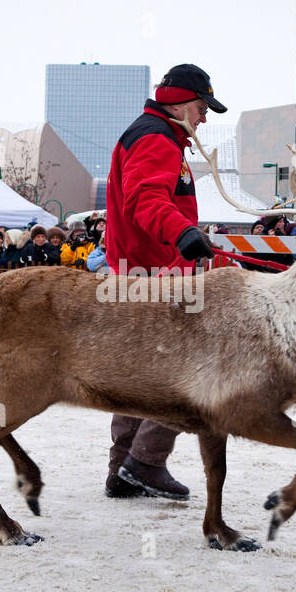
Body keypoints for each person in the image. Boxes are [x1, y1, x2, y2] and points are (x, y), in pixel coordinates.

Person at [104, 63, 224, 502]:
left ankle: (123, 469)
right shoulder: (156, 138)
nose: (205, 117)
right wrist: (184, 233)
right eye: (201, 106)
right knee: (189, 375)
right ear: (177, 100)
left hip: (138, 275)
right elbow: (146, 201)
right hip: (158, 278)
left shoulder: (153, 133)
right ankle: (145, 462)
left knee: (137, 376)